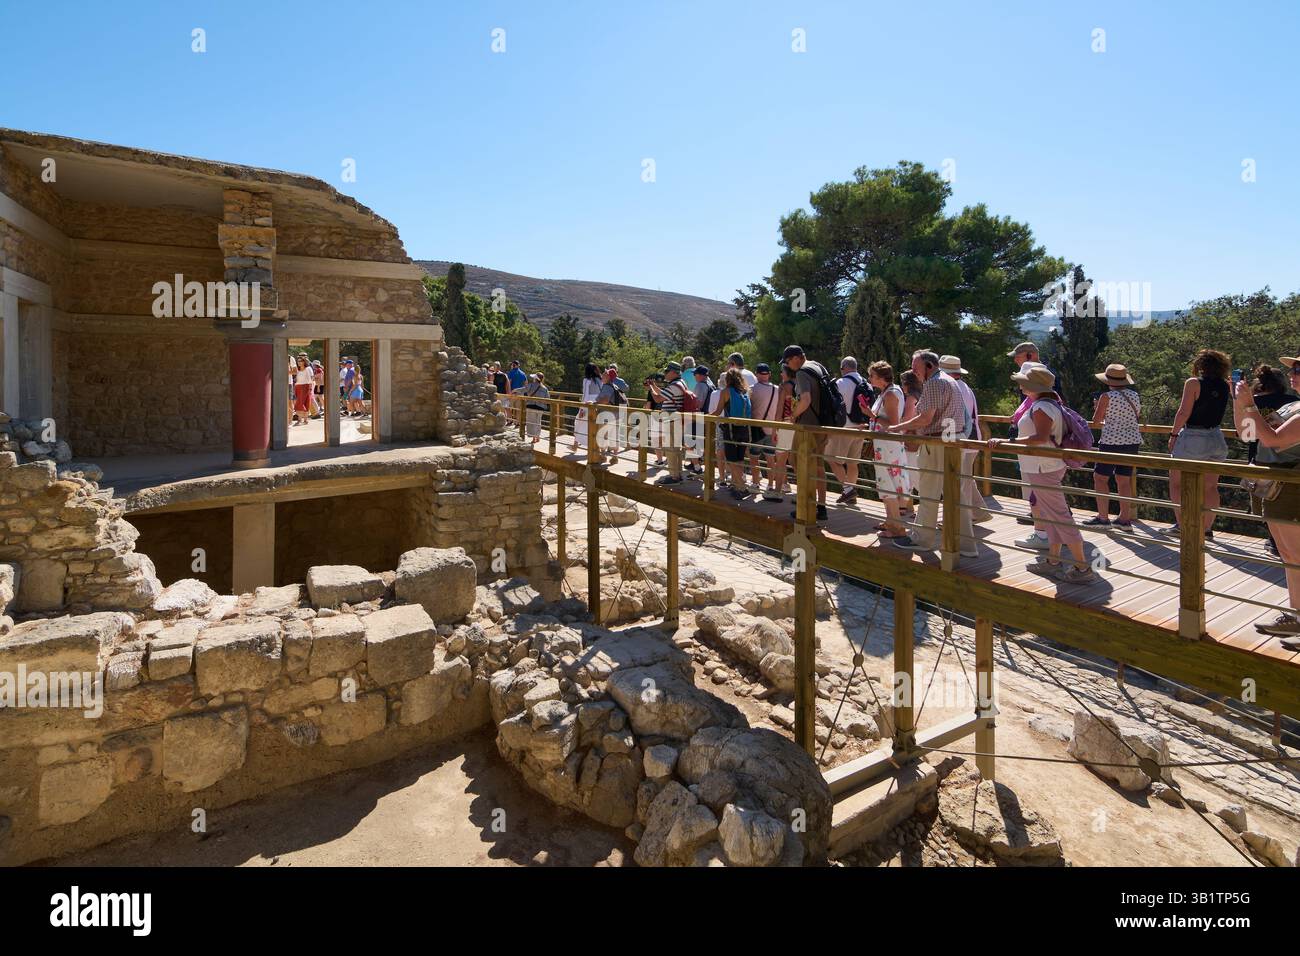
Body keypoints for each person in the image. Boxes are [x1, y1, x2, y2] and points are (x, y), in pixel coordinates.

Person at [989, 363, 1094, 583]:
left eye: (1024, 383)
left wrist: (1008, 442)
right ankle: (1053, 561)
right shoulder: (1050, 404)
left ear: (1034, 386)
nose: (1021, 386)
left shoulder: (1041, 407)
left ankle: (1083, 568)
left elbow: (1040, 438)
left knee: (1060, 517)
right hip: (1047, 465)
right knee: (1050, 515)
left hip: (1042, 467)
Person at [1233, 355, 1300, 643]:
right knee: (1289, 555)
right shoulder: (1291, 405)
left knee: (1296, 556)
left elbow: (1273, 440)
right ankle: (1296, 616)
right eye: (1293, 369)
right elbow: (1247, 434)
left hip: (1292, 488)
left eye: (1299, 369)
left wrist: (1249, 404)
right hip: (1276, 487)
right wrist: (1239, 403)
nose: (1293, 374)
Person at [886, 350, 976, 558]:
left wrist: (897, 427)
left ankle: (922, 539)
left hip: (938, 441)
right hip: (954, 439)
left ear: (928, 366)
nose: (913, 371)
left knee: (928, 493)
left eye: (916, 367)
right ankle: (966, 546)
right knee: (956, 495)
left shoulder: (935, 383)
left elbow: (925, 419)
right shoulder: (949, 380)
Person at [1167, 348, 1231, 539]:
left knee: (1176, 483)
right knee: (1211, 487)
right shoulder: (1225, 385)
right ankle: (1207, 528)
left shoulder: (1193, 383)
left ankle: (1182, 524)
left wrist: (1173, 434)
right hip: (1216, 437)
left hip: (1193, 437)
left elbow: (1183, 412)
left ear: (1200, 365)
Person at [1007, 342, 1059, 539]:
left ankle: (1045, 533)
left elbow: (1041, 434)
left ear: (1029, 355)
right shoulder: (1039, 384)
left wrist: (1014, 442)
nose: (1015, 360)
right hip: (1037, 454)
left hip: (1039, 455)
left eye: (1018, 356)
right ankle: (1047, 532)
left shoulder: (1041, 383)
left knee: (1041, 493)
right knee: (1039, 493)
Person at [1087, 363, 1142, 527]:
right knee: (1124, 480)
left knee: (1100, 478)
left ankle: (1103, 518)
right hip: (1132, 441)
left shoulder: (1107, 397)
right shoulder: (1134, 396)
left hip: (1111, 441)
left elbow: (1097, 421)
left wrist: (1097, 407)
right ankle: (1124, 519)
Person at [1247, 365, 1293, 557]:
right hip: (1289, 460)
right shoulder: (1293, 401)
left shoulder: (1254, 402)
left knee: (1264, 501)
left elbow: (1247, 434)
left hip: (1261, 457)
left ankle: (1274, 541)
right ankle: (1279, 544)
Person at [939, 355, 989, 522]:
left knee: (960, 481)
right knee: (965, 479)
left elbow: (950, 417)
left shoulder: (951, 387)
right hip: (971, 437)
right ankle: (978, 513)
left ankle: (961, 520)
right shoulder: (964, 386)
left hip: (960, 438)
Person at [782, 345, 830, 522]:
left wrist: (794, 416)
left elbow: (806, 399)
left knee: (798, 463)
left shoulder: (802, 372)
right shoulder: (818, 366)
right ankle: (821, 507)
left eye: (788, 361)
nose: (788, 365)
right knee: (818, 466)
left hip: (807, 428)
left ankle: (806, 506)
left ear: (796, 358)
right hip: (823, 426)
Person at [866, 361, 909, 538]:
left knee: (888, 483)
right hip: (885, 445)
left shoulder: (890, 394)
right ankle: (891, 521)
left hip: (887, 446)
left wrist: (872, 417)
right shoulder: (888, 392)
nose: (869, 379)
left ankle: (897, 528)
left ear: (881, 378)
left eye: (872, 376)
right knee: (888, 482)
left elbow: (893, 424)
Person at [826, 357, 869, 505]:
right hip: (861, 427)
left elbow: (833, 406)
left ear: (844, 367)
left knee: (831, 459)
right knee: (852, 463)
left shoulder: (840, 383)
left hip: (844, 428)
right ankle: (851, 493)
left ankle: (848, 490)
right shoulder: (865, 382)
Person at [647, 361, 691, 484]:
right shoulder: (680, 383)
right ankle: (677, 474)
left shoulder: (674, 386)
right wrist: (654, 386)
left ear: (673, 372)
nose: (665, 373)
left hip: (672, 421)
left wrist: (650, 388)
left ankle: (674, 476)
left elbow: (657, 398)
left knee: (671, 449)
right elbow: (664, 394)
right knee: (675, 449)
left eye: (666, 371)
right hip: (677, 420)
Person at [748, 363, 784, 501]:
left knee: (754, 458)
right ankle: (770, 485)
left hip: (757, 429)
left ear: (757, 374)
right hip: (773, 429)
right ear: (769, 374)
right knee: (771, 459)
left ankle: (756, 483)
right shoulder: (777, 389)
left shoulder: (752, 389)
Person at [717, 368, 754, 500]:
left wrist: (703, 418)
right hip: (744, 429)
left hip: (731, 430)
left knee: (732, 460)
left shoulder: (726, 392)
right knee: (739, 459)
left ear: (728, 379)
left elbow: (717, 411)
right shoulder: (745, 391)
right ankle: (737, 485)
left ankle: (742, 487)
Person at [768, 363, 796, 500]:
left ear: (787, 373)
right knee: (797, 461)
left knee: (780, 460)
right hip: (799, 425)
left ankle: (777, 492)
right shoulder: (800, 385)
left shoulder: (784, 387)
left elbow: (779, 410)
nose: (781, 374)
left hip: (785, 425)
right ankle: (801, 494)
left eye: (782, 372)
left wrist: (774, 430)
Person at [898, 370, 923, 516]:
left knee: (912, 475)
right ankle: (910, 508)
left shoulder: (910, 399)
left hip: (910, 443)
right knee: (912, 474)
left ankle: (921, 509)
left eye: (903, 383)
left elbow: (907, 422)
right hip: (918, 440)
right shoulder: (921, 396)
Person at [595, 366, 627, 463]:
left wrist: (595, 403)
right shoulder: (615, 386)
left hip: (606, 414)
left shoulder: (607, 386)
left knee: (603, 434)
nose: (602, 375)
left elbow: (605, 400)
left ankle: (603, 456)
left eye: (604, 374)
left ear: (608, 377)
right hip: (616, 414)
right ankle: (615, 457)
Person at [573, 363, 602, 449]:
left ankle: (575, 445)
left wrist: (581, 408)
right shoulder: (600, 380)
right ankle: (593, 446)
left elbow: (585, 394)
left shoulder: (587, 380)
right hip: (597, 403)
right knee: (594, 425)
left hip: (587, 404)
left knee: (579, 422)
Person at [519, 372, 549, 443]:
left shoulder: (531, 385)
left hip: (531, 406)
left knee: (531, 422)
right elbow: (547, 399)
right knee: (538, 422)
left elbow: (523, 389)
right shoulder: (545, 388)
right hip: (540, 407)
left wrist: (514, 391)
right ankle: (537, 437)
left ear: (535, 378)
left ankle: (533, 438)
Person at [644, 373, 667, 467]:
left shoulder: (651, 391)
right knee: (665, 439)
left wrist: (644, 409)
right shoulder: (667, 389)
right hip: (667, 416)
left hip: (655, 416)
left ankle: (660, 460)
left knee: (656, 440)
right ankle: (668, 459)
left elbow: (648, 407)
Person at [292, 353, 314, 426]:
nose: (299, 362)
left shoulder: (308, 368)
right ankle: (304, 419)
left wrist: (310, 388)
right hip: (298, 387)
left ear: (304, 362)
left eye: (301, 361)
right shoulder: (297, 370)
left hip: (306, 386)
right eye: (298, 361)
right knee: (300, 403)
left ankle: (301, 419)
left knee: (303, 403)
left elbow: (311, 378)